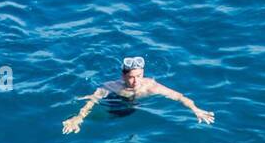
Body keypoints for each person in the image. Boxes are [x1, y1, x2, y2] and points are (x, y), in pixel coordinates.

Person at [62, 57, 215, 134]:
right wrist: (79, 118)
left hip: (135, 107)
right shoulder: (111, 86)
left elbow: (180, 97)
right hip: (115, 104)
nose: (136, 81)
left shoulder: (151, 87)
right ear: (123, 76)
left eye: (139, 76)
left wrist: (196, 109)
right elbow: (92, 100)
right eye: (131, 77)